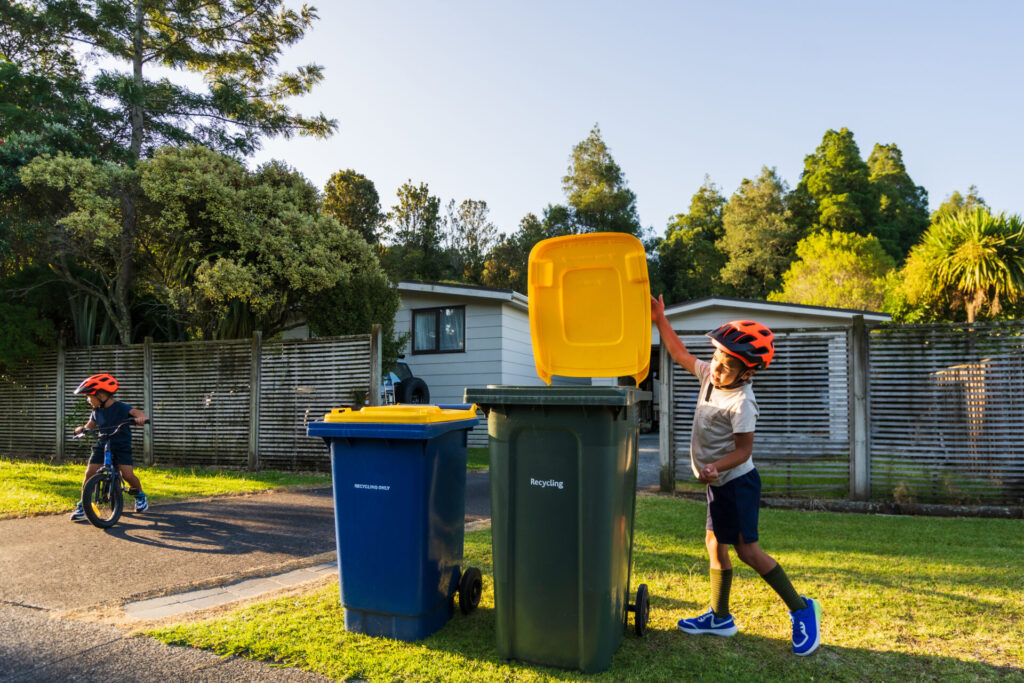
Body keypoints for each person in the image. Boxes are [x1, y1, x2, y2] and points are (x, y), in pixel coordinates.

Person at [651, 294, 822, 656]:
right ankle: (720, 617)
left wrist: (716, 467)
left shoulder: (742, 402)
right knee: (714, 545)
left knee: (748, 551)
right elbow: (680, 354)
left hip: (737, 482)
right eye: (716, 358)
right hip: (718, 483)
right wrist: (660, 319)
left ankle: (802, 608)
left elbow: (744, 451)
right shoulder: (710, 379)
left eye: (726, 365)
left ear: (747, 372)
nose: (716, 368)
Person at [69, 373, 149, 521]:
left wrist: (140, 418)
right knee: (90, 472)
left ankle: (140, 496)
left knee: (127, 474)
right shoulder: (96, 412)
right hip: (103, 444)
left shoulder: (120, 407)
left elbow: (135, 412)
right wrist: (82, 429)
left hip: (121, 445)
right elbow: (90, 425)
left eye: (89, 396)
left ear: (100, 395)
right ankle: (82, 505)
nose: (88, 400)